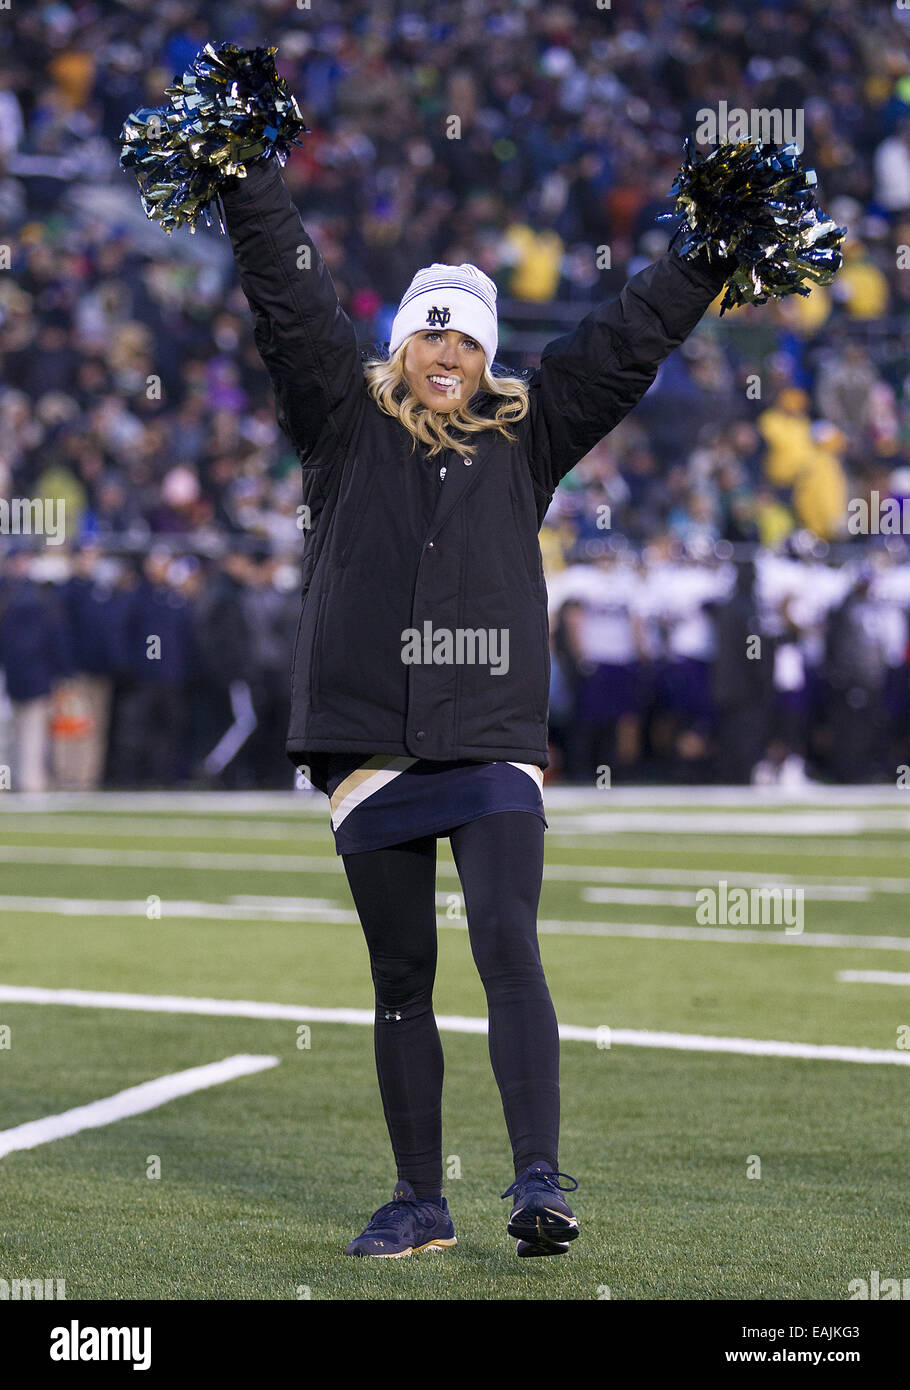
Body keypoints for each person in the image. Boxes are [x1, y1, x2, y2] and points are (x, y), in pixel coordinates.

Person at [219, 152, 736, 1259]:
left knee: (508, 939)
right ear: (401, 342)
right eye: (430, 333)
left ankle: (538, 1182)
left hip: (492, 734)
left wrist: (712, 247)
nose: (448, 354)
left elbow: (626, 339)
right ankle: (417, 1199)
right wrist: (241, 175)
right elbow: (287, 292)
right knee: (402, 977)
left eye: (467, 339)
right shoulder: (338, 424)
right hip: (367, 743)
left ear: (486, 355)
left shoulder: (530, 433)